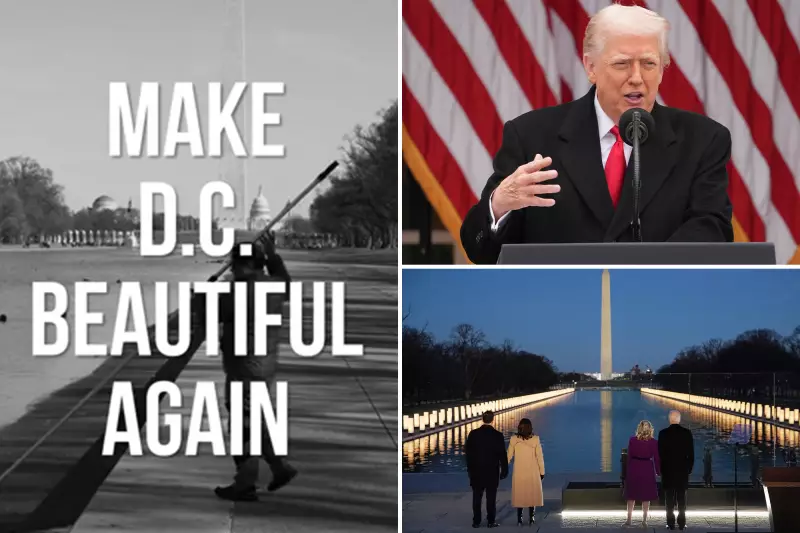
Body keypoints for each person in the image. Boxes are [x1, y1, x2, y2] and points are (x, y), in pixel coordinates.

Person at [459, 3, 733, 265]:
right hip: (557, 307)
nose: (637, 77)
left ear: (662, 69)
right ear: (591, 67)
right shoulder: (531, 137)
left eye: (649, 63)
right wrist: (499, 205)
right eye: (622, 64)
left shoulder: (703, 141)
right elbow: (479, 249)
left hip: (658, 304)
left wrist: (643, 273)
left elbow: (712, 233)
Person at [194, 236, 298, 501]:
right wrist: (273, 255)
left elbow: (207, 317)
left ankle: (246, 482)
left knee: (243, 425)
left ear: (244, 265)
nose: (231, 269)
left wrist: (202, 296)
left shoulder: (234, 292)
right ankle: (278, 467)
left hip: (243, 366)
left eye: (234, 264)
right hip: (265, 364)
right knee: (255, 420)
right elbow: (285, 280)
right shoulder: (275, 287)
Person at [465, 411, 508, 528]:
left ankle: (476, 521)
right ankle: (490, 521)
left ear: (482, 419)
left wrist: (469, 469)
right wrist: (504, 470)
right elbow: (502, 455)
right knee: (491, 497)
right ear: (492, 420)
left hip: (476, 471)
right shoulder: (497, 435)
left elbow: (468, 454)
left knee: (477, 496)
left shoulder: (473, 434)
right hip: (491, 471)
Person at [658, 410, 694, 530]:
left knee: (669, 498)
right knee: (681, 498)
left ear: (669, 419)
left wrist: (661, 469)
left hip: (668, 470)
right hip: (682, 471)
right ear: (679, 419)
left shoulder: (662, 434)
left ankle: (670, 523)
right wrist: (688, 469)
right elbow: (691, 454)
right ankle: (682, 523)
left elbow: (660, 454)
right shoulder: (687, 433)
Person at [506, 418, 545, 526]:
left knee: (520, 495)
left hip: (519, 472)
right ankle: (532, 518)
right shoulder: (535, 439)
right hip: (532, 472)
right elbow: (540, 457)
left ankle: (519, 519)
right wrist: (542, 472)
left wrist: (502, 468)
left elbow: (508, 456)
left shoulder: (514, 439)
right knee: (531, 495)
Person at [624, 420, 660, 528]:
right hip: (647, 468)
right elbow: (657, 459)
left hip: (634, 468)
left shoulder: (632, 440)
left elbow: (629, 456)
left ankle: (629, 520)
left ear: (639, 428)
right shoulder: (654, 442)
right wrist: (658, 471)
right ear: (650, 429)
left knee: (631, 496)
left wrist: (628, 471)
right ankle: (644, 521)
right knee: (646, 496)